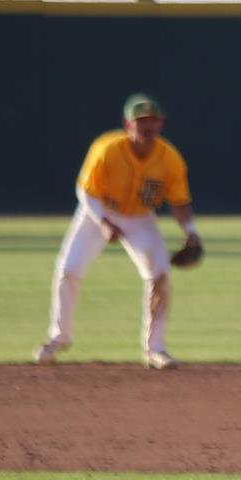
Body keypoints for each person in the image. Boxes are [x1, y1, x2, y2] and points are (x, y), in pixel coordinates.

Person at [35, 92, 201, 370]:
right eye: (141, 121)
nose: (148, 127)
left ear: (161, 124)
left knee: (160, 274)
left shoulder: (170, 158)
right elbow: (85, 191)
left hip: (139, 217)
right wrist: (103, 221)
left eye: (153, 121)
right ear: (128, 124)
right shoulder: (107, 149)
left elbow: (179, 201)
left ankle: (155, 349)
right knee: (68, 269)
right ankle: (59, 337)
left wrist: (191, 231)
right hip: (98, 211)